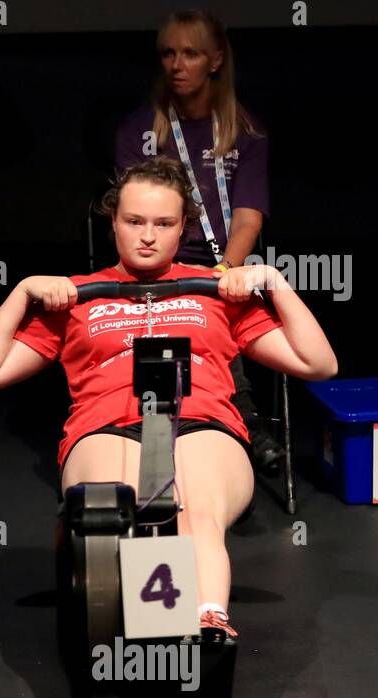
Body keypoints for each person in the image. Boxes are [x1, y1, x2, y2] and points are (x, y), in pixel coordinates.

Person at [0, 157, 337, 637]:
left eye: (164, 223)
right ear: (113, 221)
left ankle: (205, 622)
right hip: (106, 426)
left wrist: (274, 283)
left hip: (204, 423)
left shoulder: (216, 294)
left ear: (183, 229)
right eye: (134, 221)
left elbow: (319, 364)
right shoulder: (75, 297)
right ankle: (141, 620)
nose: (147, 235)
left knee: (193, 507)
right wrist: (22, 293)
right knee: (122, 507)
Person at [114, 9, 286, 475]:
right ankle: (247, 424)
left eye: (190, 53)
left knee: (210, 304)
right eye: (168, 53)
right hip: (153, 265)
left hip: (221, 263)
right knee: (188, 306)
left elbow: (249, 218)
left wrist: (224, 273)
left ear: (215, 60)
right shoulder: (139, 131)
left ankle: (224, 423)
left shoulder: (244, 131)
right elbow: (131, 217)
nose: (177, 64)